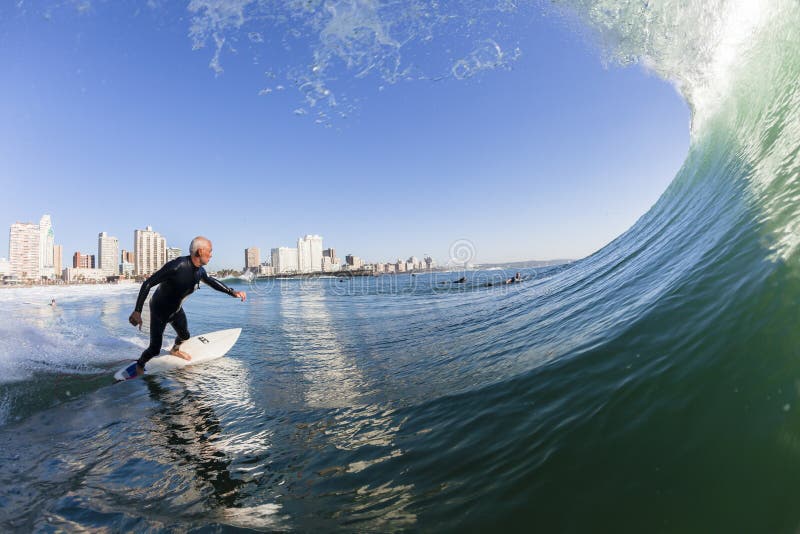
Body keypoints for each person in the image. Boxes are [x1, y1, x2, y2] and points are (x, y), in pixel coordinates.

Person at [128, 236, 246, 376]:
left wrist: (232, 292)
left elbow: (211, 281)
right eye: (210, 251)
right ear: (200, 251)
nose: (212, 254)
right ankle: (140, 364)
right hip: (159, 311)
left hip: (176, 310)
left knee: (185, 335)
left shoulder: (200, 271)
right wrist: (137, 311)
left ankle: (175, 350)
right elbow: (148, 283)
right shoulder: (177, 266)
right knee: (155, 349)